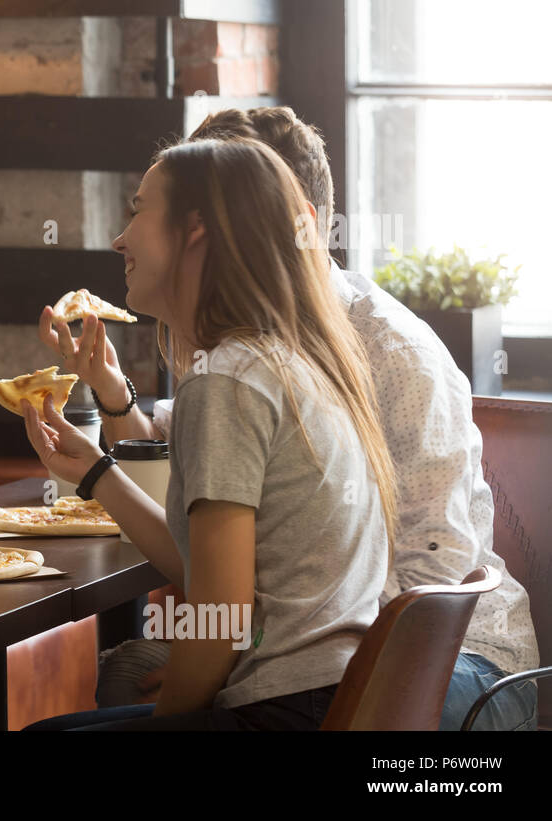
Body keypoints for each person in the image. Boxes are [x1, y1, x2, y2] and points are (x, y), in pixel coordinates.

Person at [47, 106, 539, 731]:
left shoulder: (379, 349)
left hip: (452, 659)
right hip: (324, 652)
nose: (121, 237)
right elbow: (200, 494)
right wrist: (110, 409)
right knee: (129, 668)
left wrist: (242, 660)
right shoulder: (261, 353)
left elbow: (433, 578)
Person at [27, 137, 397, 730]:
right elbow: (211, 572)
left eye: (139, 210)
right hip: (336, 698)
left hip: (286, 709)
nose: (120, 239)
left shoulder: (227, 380)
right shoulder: (292, 358)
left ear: (194, 228)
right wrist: (97, 473)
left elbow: (221, 613)